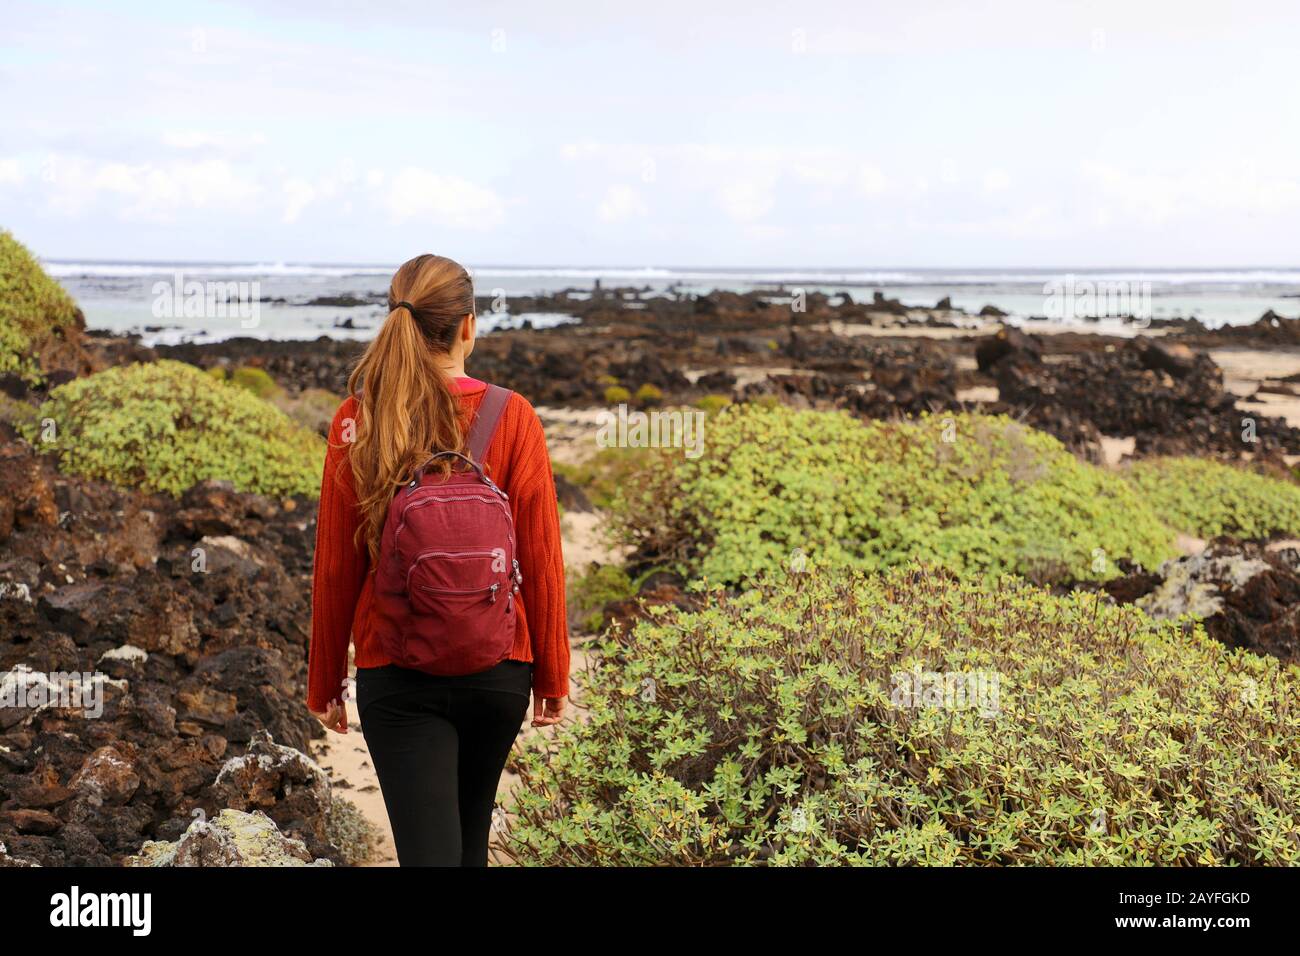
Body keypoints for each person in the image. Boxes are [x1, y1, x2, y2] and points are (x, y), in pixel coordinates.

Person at [306, 253, 569, 866]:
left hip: (396, 671)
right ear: (468, 327)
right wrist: (552, 672)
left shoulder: (358, 419)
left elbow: (338, 563)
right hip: (500, 665)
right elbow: (543, 555)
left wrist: (325, 680)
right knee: (468, 848)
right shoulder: (514, 416)